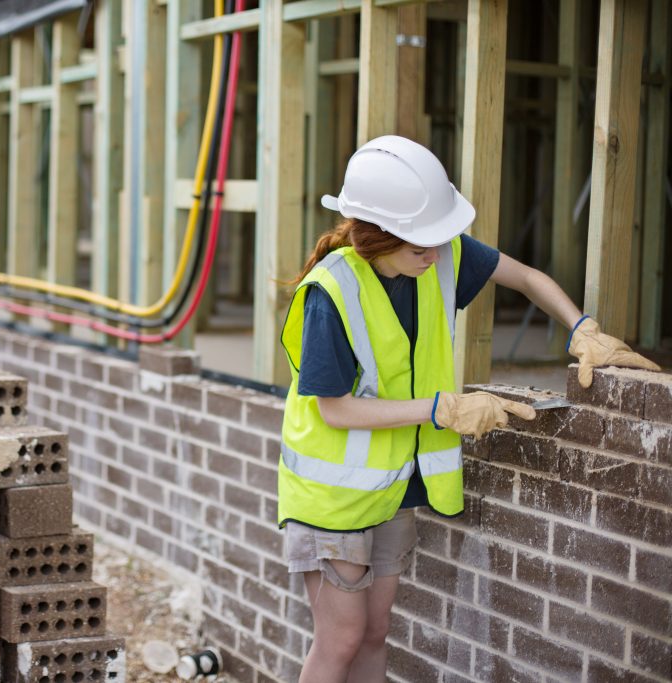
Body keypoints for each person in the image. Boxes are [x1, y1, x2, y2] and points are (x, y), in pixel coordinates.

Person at [277, 135, 660, 683]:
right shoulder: (330, 294)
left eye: (437, 241)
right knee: (339, 640)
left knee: (374, 633)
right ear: (373, 239)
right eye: (420, 248)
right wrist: (441, 410)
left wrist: (581, 328)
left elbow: (526, 278)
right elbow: (334, 410)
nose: (435, 256)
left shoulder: (438, 253)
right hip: (330, 499)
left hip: (392, 486)